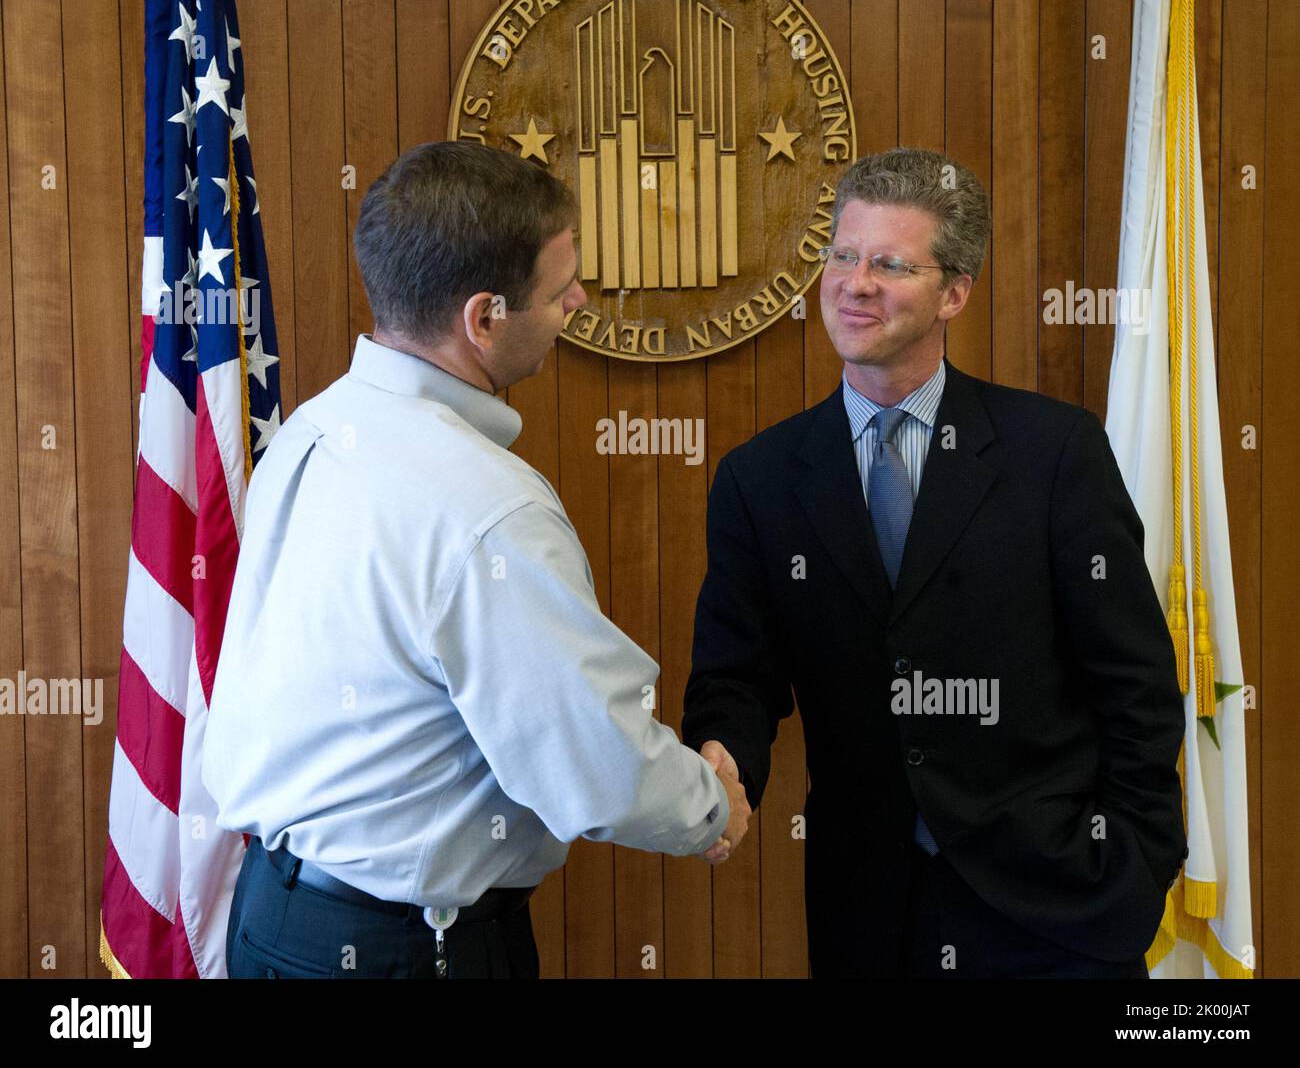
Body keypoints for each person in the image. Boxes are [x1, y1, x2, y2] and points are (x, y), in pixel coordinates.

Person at [203, 140, 750, 980]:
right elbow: (596, 764)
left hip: (274, 919)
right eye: (561, 283)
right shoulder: (491, 509)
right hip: (405, 951)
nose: (577, 300)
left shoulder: (310, 431)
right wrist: (709, 807)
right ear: (484, 318)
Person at [681, 147, 1187, 978]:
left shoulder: (1055, 452)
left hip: (1056, 908)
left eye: (889, 263)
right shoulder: (759, 479)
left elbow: (1134, 680)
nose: (854, 282)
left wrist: (1133, 864)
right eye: (842, 255)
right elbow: (738, 678)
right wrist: (720, 765)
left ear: (954, 293)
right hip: (870, 916)